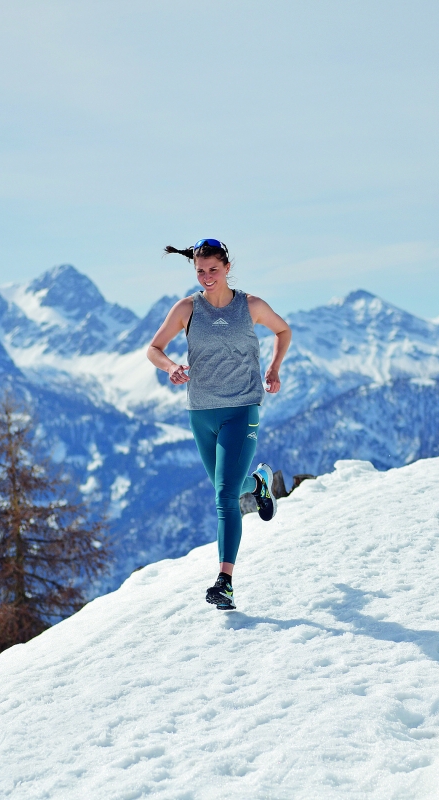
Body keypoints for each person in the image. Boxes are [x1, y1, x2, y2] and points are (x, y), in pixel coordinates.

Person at [147, 238, 292, 610]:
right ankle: (259, 483)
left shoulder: (251, 306)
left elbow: (283, 331)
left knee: (224, 496)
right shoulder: (186, 309)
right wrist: (171, 367)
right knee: (224, 486)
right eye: (201, 271)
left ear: (227, 267)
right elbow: (154, 348)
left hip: (241, 408)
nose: (207, 276)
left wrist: (274, 368)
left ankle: (224, 582)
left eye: (213, 269)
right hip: (200, 412)